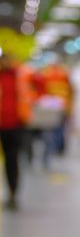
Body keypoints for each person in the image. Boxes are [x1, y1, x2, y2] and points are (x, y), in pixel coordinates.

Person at [0, 50, 31, 210]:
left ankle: (13, 193)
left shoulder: (20, 75)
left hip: (16, 124)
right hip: (2, 123)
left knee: (12, 160)